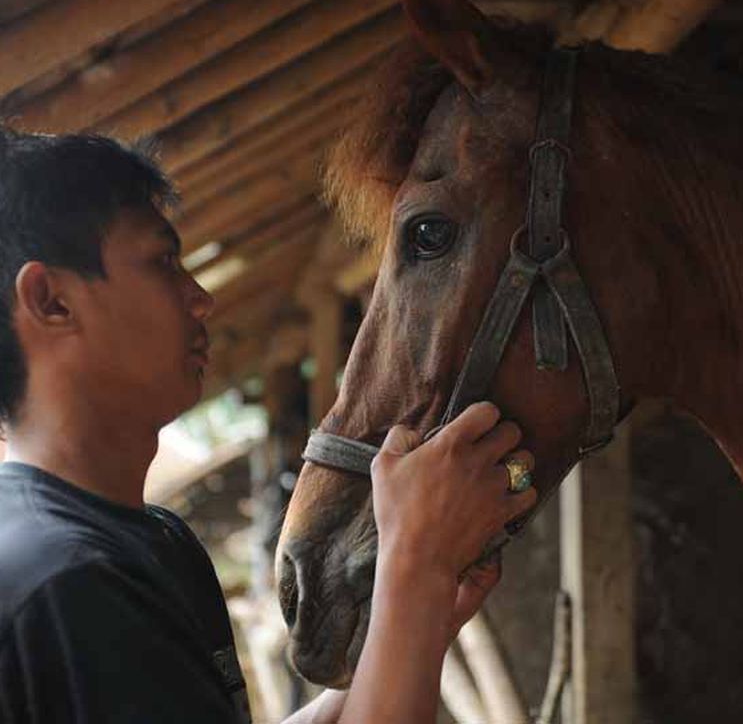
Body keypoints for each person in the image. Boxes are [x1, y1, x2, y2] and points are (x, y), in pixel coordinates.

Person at [0, 130, 537, 723]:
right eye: (162, 263)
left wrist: (419, 621)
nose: (200, 298)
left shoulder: (152, 542)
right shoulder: (69, 584)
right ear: (51, 301)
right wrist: (418, 568)